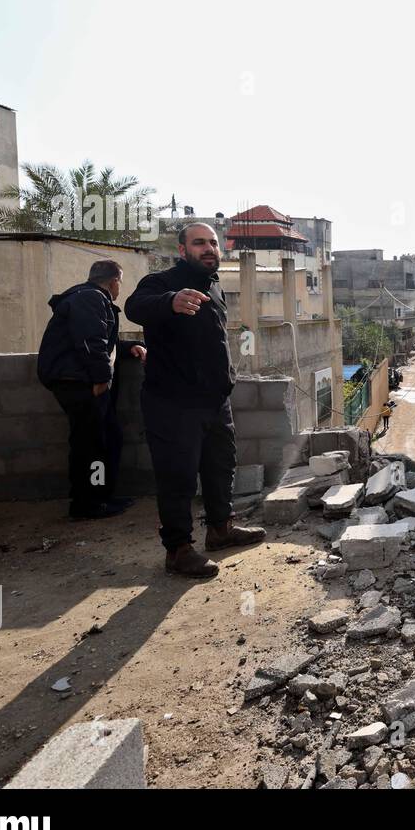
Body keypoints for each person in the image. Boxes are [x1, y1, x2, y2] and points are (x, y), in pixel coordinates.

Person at [125, 223, 265, 578]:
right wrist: (170, 302)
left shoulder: (214, 286)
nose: (208, 249)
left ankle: (220, 530)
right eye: (199, 243)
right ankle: (178, 550)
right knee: (178, 477)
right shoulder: (161, 283)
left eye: (213, 243)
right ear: (183, 249)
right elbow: (134, 306)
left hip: (215, 401)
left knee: (220, 468)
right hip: (173, 402)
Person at [37, 259, 145, 519]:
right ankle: (88, 503)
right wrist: (99, 380)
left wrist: (128, 347)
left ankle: (100, 498)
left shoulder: (87, 297)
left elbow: (103, 339)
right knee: (92, 444)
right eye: (120, 282)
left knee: (104, 439)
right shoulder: (91, 299)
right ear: (114, 281)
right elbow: (91, 341)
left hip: (77, 380)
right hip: (79, 384)